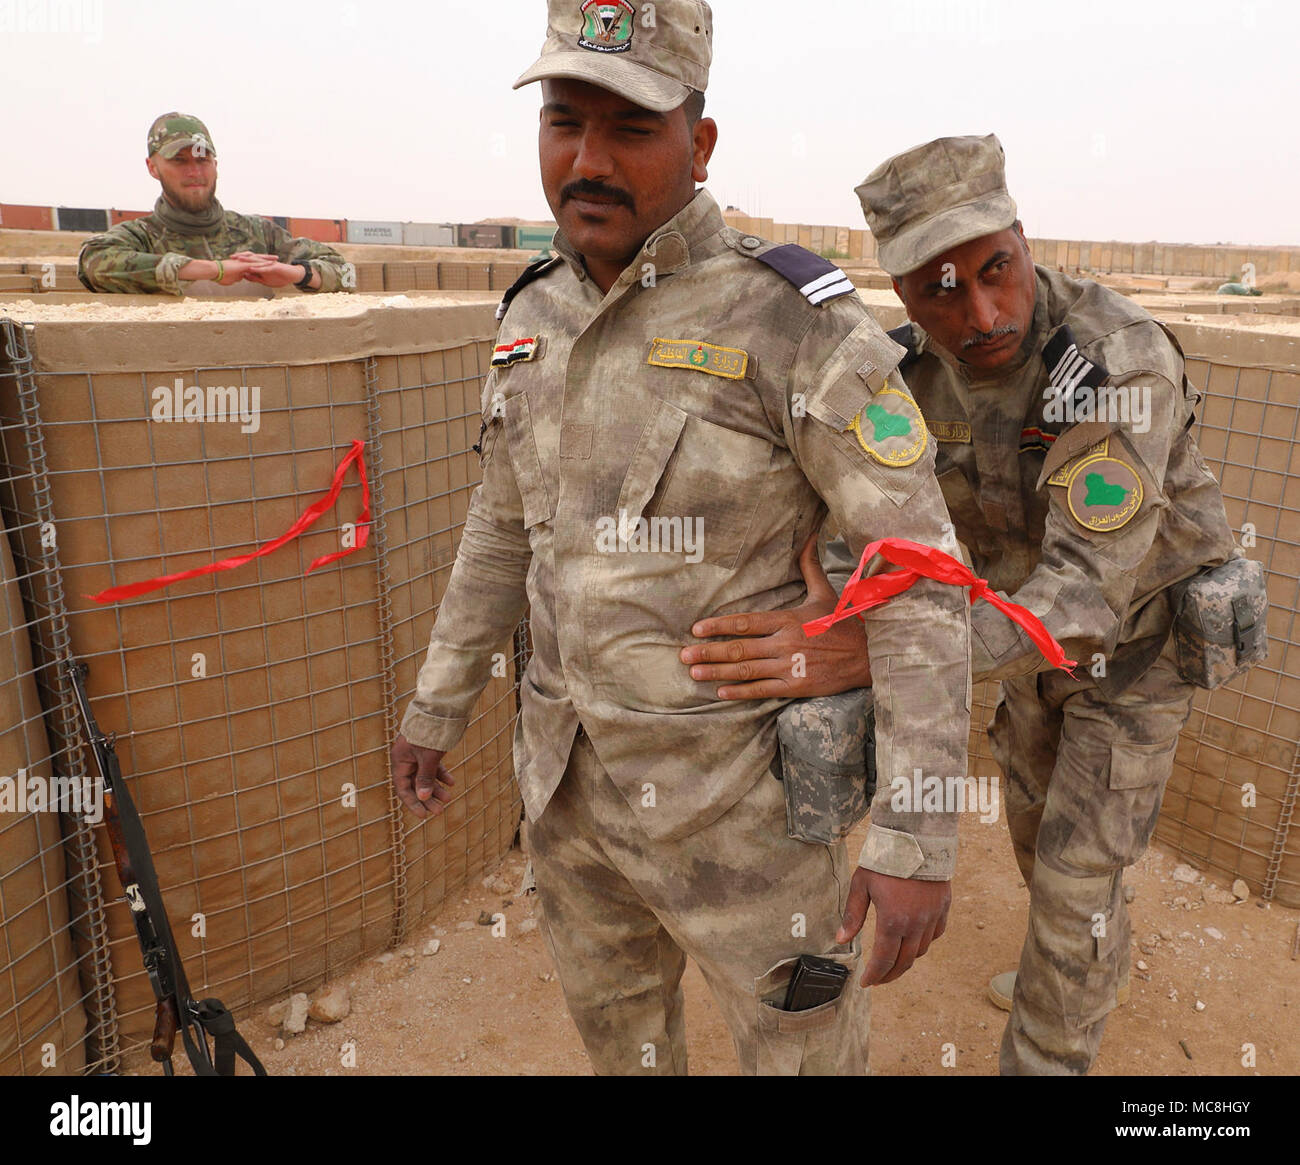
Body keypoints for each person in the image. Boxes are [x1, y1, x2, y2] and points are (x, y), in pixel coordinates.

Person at [390, 0, 972, 1076]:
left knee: (803, 1052)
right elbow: (500, 525)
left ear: (698, 145)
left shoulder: (792, 320)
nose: (587, 160)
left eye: (632, 129)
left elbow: (924, 578)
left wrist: (916, 834)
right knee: (625, 1050)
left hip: (742, 813)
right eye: (564, 122)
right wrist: (439, 699)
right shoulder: (532, 318)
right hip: (566, 794)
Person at [680, 134, 1239, 1075]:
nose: (981, 313)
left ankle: (1060, 1014)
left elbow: (1085, 598)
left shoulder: (1113, 366)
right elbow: (873, 523)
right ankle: (1084, 957)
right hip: (1017, 653)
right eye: (941, 289)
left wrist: (880, 654)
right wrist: (832, 588)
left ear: (1024, 240)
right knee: (1035, 843)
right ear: (901, 291)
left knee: (1072, 884)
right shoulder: (903, 373)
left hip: (1130, 653)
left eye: (997, 271)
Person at [77, 113, 353, 296]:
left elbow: (346, 273)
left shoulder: (257, 233)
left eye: (202, 160)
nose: (194, 172)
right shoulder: (142, 236)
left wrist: (295, 273)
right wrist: (214, 270)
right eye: (179, 160)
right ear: (152, 167)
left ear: (215, 165)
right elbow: (94, 264)